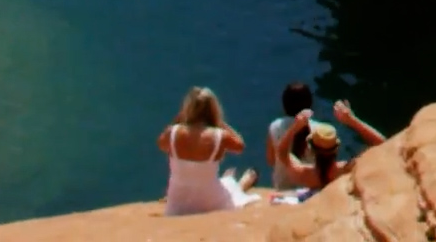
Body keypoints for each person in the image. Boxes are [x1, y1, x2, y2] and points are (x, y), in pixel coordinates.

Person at [158, 86, 258, 216]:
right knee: (230, 185)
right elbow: (240, 146)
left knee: (227, 182)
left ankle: (235, 179)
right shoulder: (220, 135)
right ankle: (244, 182)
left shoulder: (173, 133)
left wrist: (180, 118)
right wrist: (221, 123)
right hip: (212, 203)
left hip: (177, 207)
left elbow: (161, 144)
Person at [274, 99, 385, 195]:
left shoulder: (305, 174)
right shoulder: (348, 169)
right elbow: (383, 145)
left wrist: (296, 126)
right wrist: (351, 120)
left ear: (311, 148)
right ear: (336, 147)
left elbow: (282, 154)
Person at [267, 81, 314, 191]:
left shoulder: (275, 126)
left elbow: (271, 160)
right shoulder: (318, 129)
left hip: (282, 189)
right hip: (310, 191)